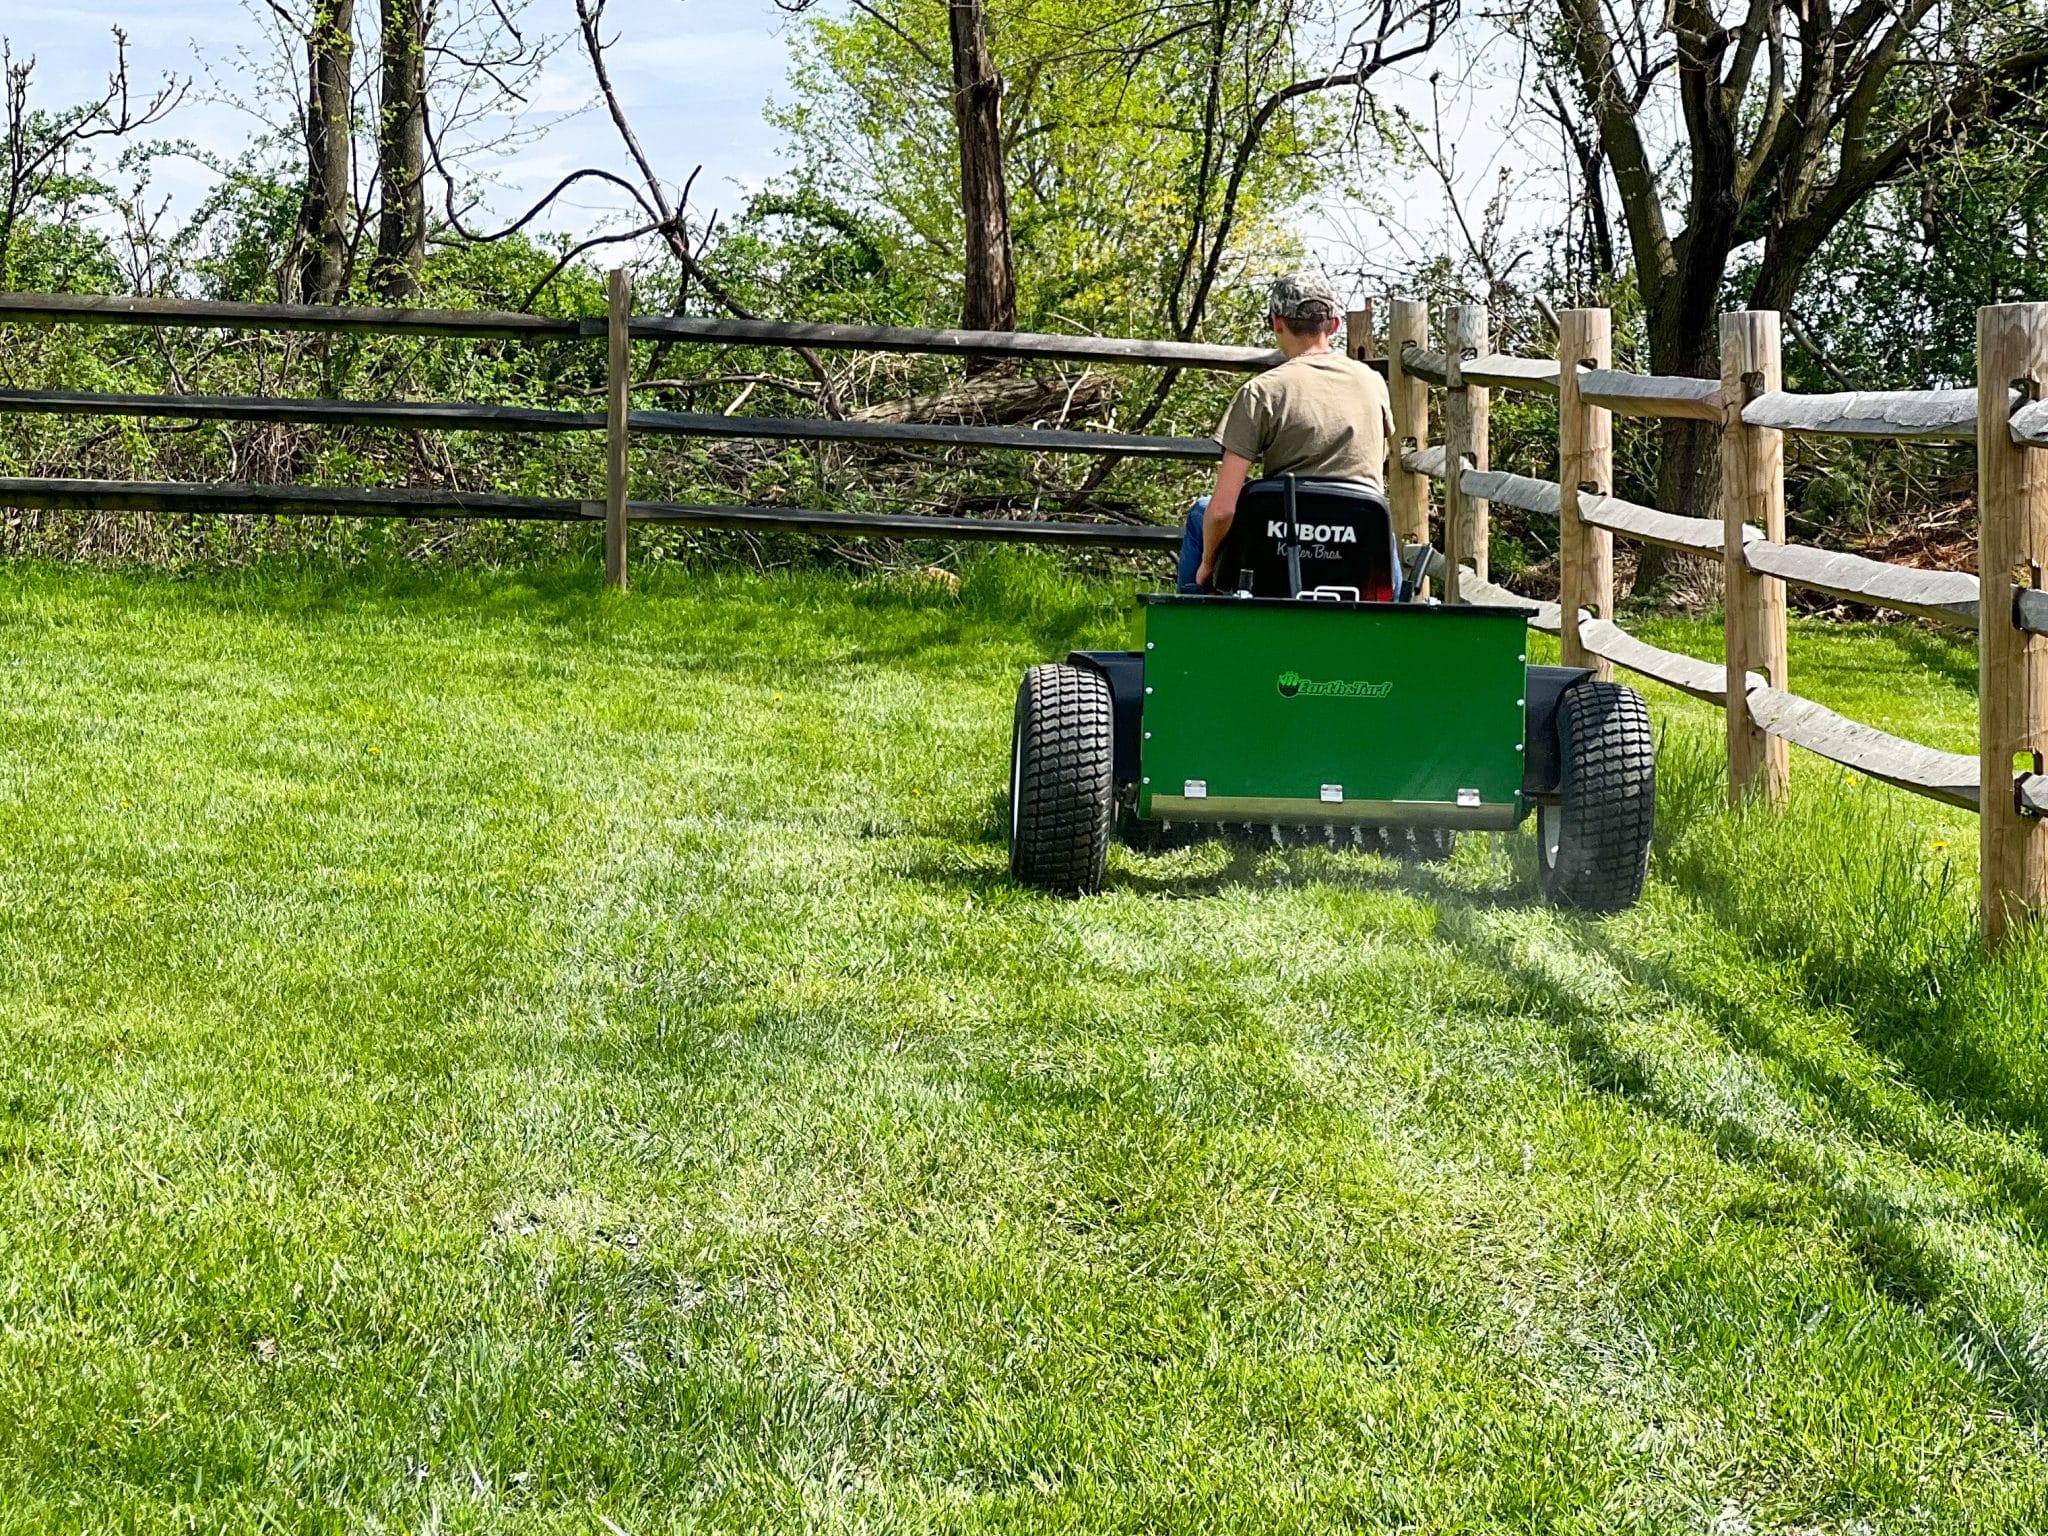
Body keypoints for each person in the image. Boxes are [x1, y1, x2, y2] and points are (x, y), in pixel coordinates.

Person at [1177, 272, 1397, 592]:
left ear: (1277, 322)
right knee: (1381, 532)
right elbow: (1377, 464)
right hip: (1355, 547)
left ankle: (1188, 626)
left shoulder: (1262, 392)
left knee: (1202, 509)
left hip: (1281, 546)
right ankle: (1392, 617)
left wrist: (1209, 563)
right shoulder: (1373, 383)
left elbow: (1223, 509)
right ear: (1334, 325)